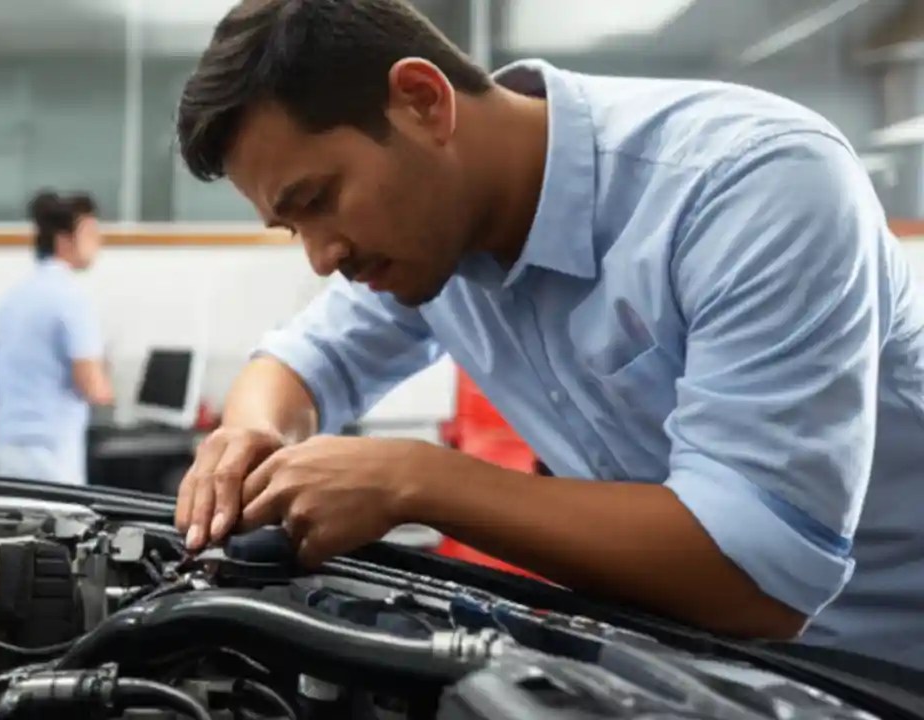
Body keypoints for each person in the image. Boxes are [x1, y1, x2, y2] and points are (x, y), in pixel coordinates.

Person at [171, 0, 924, 670]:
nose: (322, 256)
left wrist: (413, 479)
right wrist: (249, 437)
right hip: (699, 665)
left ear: (423, 102)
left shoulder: (751, 185)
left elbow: (759, 581)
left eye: (318, 200)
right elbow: (305, 361)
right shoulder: (432, 244)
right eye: (291, 225)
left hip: (878, 665)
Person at [0, 190, 113, 486]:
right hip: (51, 454)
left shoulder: (13, 297)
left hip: (8, 448)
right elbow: (93, 387)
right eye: (90, 234)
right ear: (64, 240)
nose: (99, 242)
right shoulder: (71, 298)